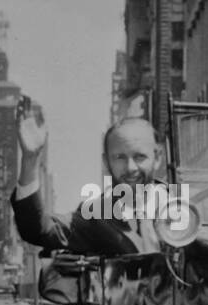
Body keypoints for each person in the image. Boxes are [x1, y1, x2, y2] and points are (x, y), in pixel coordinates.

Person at [11, 107, 171, 256]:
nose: (130, 168)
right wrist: (30, 160)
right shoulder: (96, 217)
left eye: (139, 157)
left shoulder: (184, 206)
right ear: (106, 163)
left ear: (157, 158)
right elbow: (39, 230)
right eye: (119, 158)